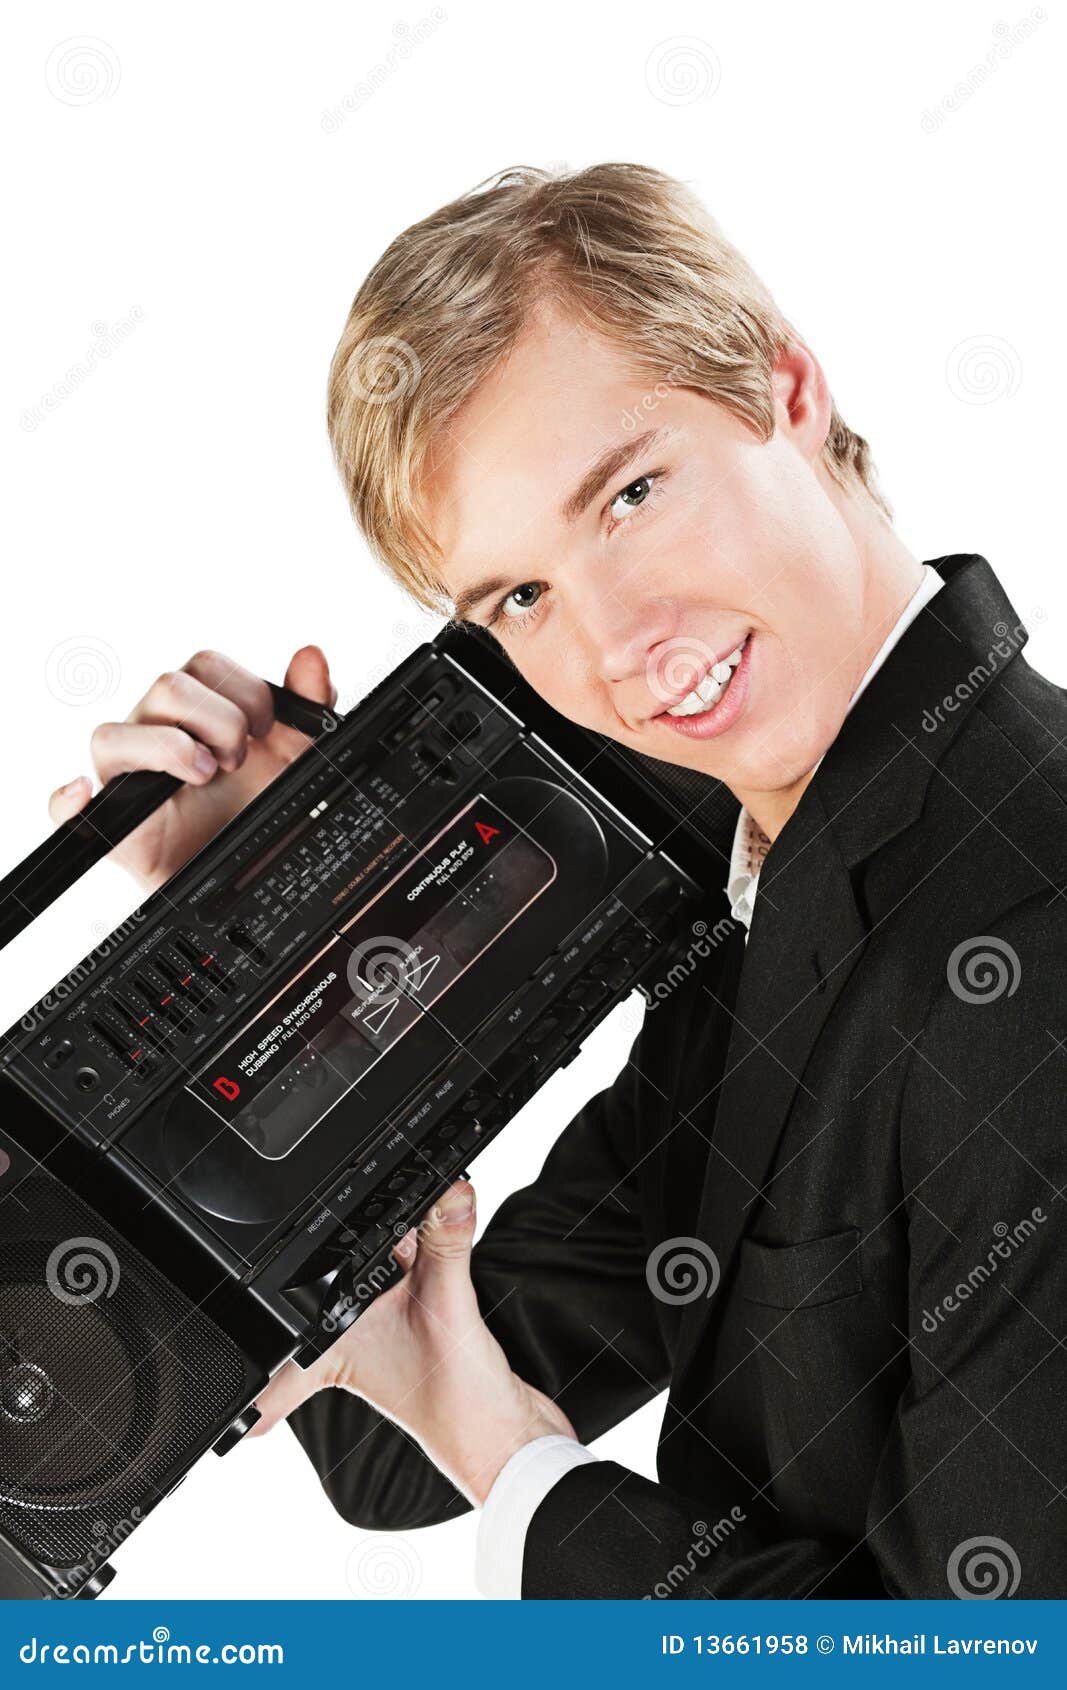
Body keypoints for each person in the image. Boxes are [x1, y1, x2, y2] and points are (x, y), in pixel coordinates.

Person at [50, 164, 1067, 1600]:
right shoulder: (776, 888)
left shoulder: (1027, 928)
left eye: (634, 493)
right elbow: (385, 1438)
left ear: (788, 389)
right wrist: (277, 942)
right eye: (520, 595)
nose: (619, 644)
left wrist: (526, 1476)